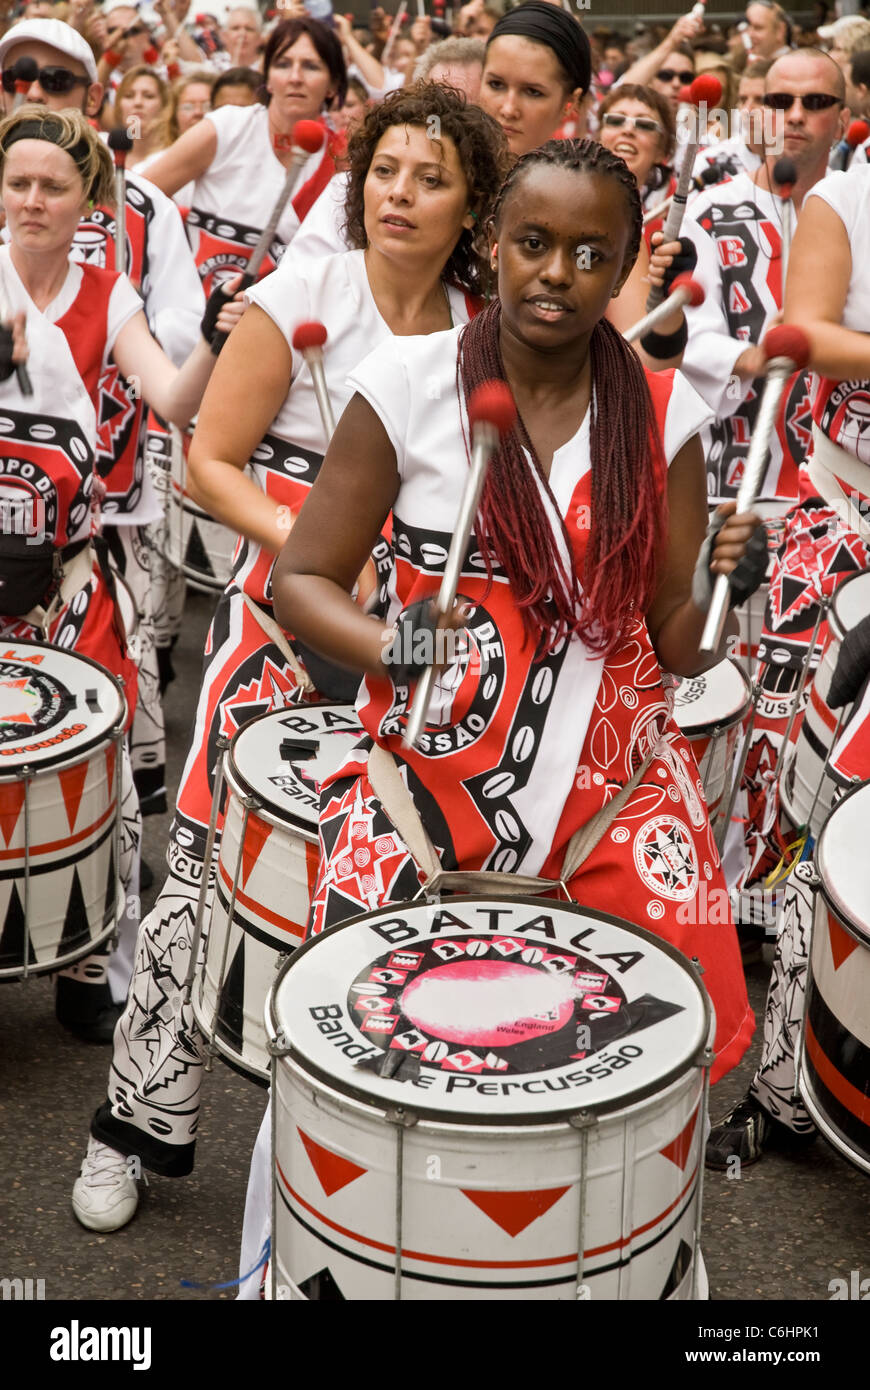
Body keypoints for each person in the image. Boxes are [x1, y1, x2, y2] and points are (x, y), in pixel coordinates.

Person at [72, 82, 508, 1233]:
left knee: (386, 903)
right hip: (275, 636)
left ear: (472, 208)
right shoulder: (297, 294)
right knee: (203, 876)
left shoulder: (486, 327)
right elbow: (210, 457)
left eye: (431, 178)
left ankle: (350, 1171)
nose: (399, 194)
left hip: (413, 654)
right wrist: (313, 544)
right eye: (386, 171)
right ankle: (131, 1124)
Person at [274, 137, 759, 1089]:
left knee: (634, 1097)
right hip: (418, 800)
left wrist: (725, 590)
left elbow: (683, 647)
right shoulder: (405, 385)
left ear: (625, 264)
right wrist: (389, 641)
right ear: (492, 239)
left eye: (590, 254)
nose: (558, 273)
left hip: (613, 813)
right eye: (534, 241)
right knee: (359, 1087)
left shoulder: (668, 418)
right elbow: (303, 580)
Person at [0, 105, 241, 1041]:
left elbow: (173, 398)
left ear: (87, 200)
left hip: (68, 573)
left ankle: (90, 962)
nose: (31, 201)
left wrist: (216, 334)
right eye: (17, 182)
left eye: (53, 187)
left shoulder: (112, 293)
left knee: (98, 764)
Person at [708, 158, 870, 1165]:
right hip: (847, 517)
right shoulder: (847, 200)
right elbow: (804, 333)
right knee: (820, 809)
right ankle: (781, 1086)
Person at [680, 48, 850, 889]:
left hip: (825, 500)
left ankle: (776, 900)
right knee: (725, 692)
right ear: (752, 106)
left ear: (844, 110)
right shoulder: (710, 212)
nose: (795, 115)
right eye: (778, 99)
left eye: (816, 100)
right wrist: (765, 356)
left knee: (803, 706)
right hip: (733, 490)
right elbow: (680, 334)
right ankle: (708, 890)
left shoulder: (852, 207)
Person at [144, 16, 346, 296]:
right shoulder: (227, 127)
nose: (295, 77)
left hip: (271, 323)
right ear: (268, 77)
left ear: (333, 84)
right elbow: (137, 199)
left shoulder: (343, 161)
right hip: (185, 313)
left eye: (311, 66)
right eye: (283, 64)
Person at [112, 65, 170, 169]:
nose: (138, 103)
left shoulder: (174, 155)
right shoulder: (103, 150)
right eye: (129, 96)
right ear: (118, 107)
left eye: (148, 96)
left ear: (164, 106)